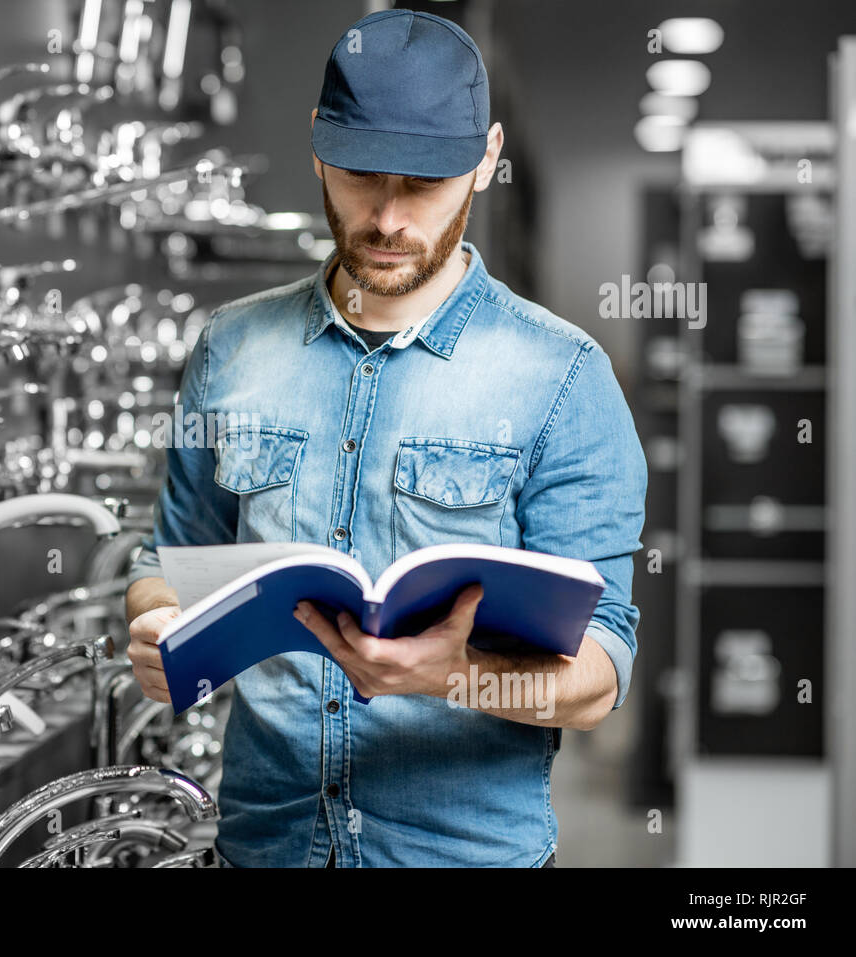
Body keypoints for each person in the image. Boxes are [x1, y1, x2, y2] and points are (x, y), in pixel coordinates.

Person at [123, 9, 646, 867]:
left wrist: (450, 674)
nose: (391, 218)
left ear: (485, 157)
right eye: (363, 175)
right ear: (319, 147)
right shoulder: (232, 347)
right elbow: (167, 561)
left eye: (425, 182)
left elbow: (599, 675)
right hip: (264, 845)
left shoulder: (562, 378)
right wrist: (157, 629)